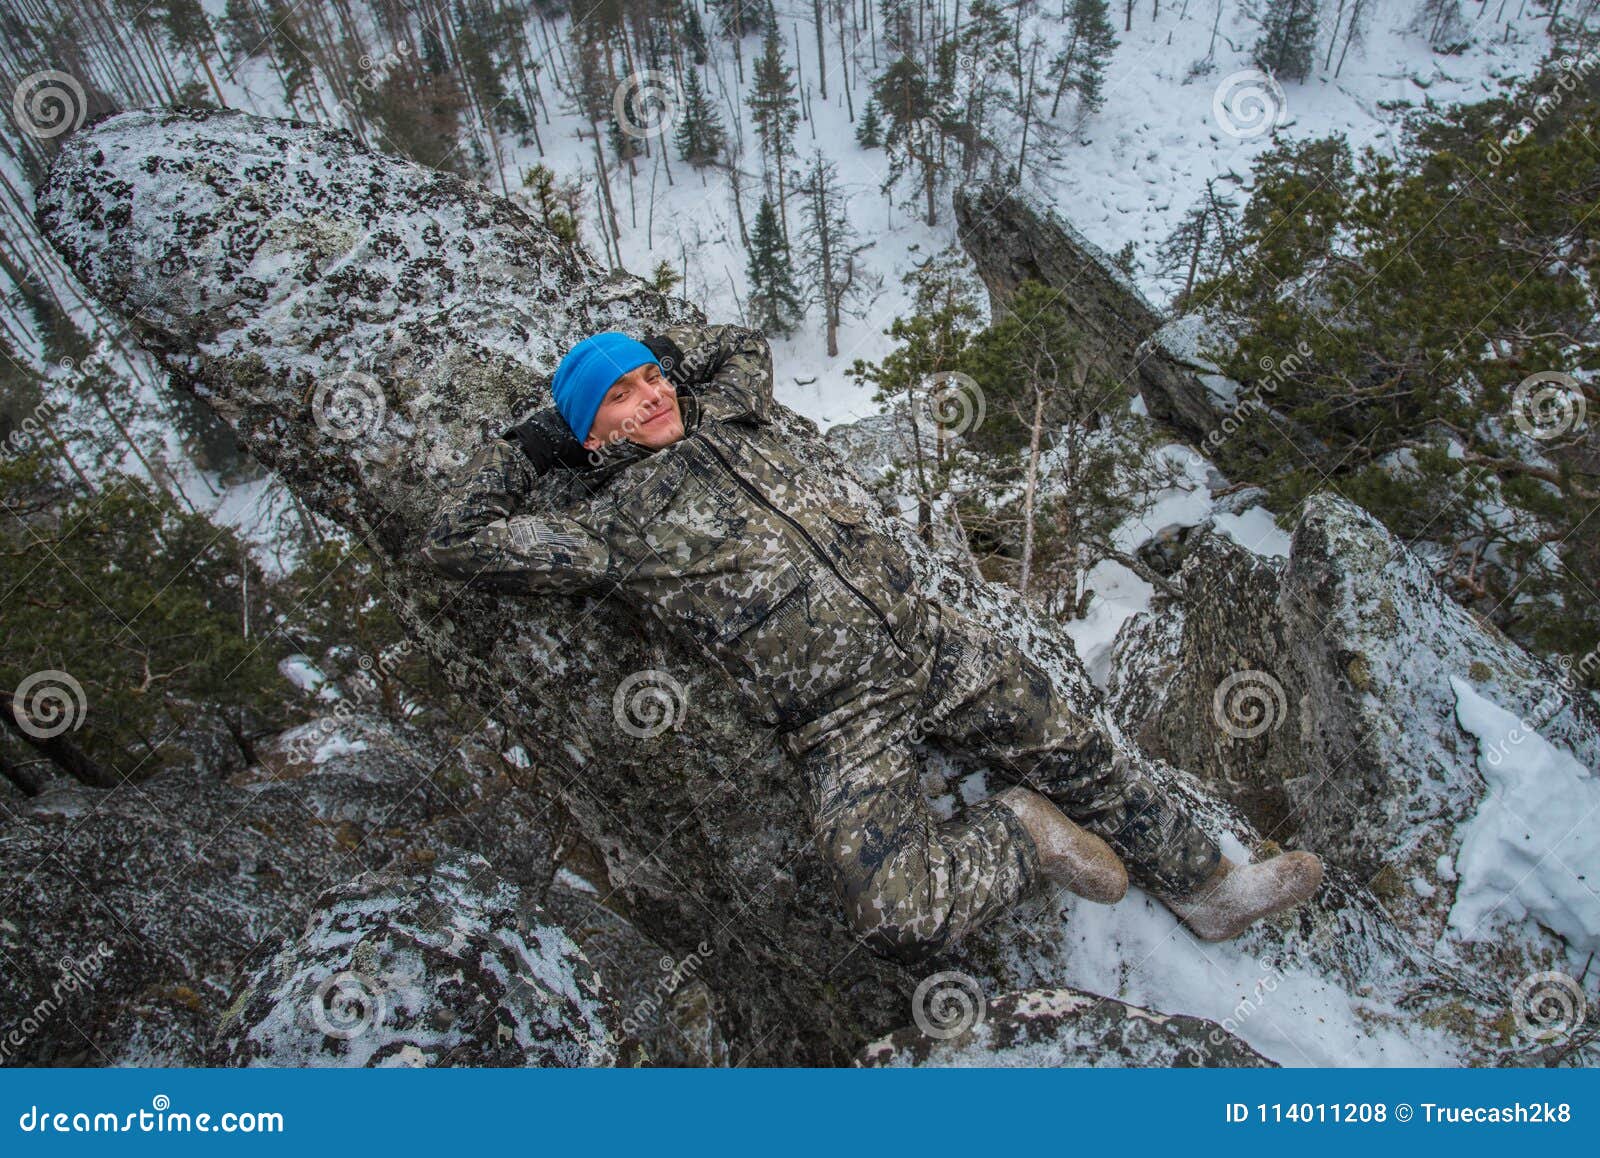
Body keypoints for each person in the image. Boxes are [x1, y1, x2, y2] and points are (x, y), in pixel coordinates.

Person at [421, 324, 1323, 962]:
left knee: (1083, 747)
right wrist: (531, 449)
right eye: (620, 397)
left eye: (652, 377)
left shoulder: (728, 411)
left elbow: (738, 342)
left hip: (930, 641)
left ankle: (1209, 890)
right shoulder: (604, 524)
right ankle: (1023, 833)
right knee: (894, 915)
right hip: (840, 717)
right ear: (587, 435)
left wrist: (654, 344)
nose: (652, 395)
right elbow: (453, 541)